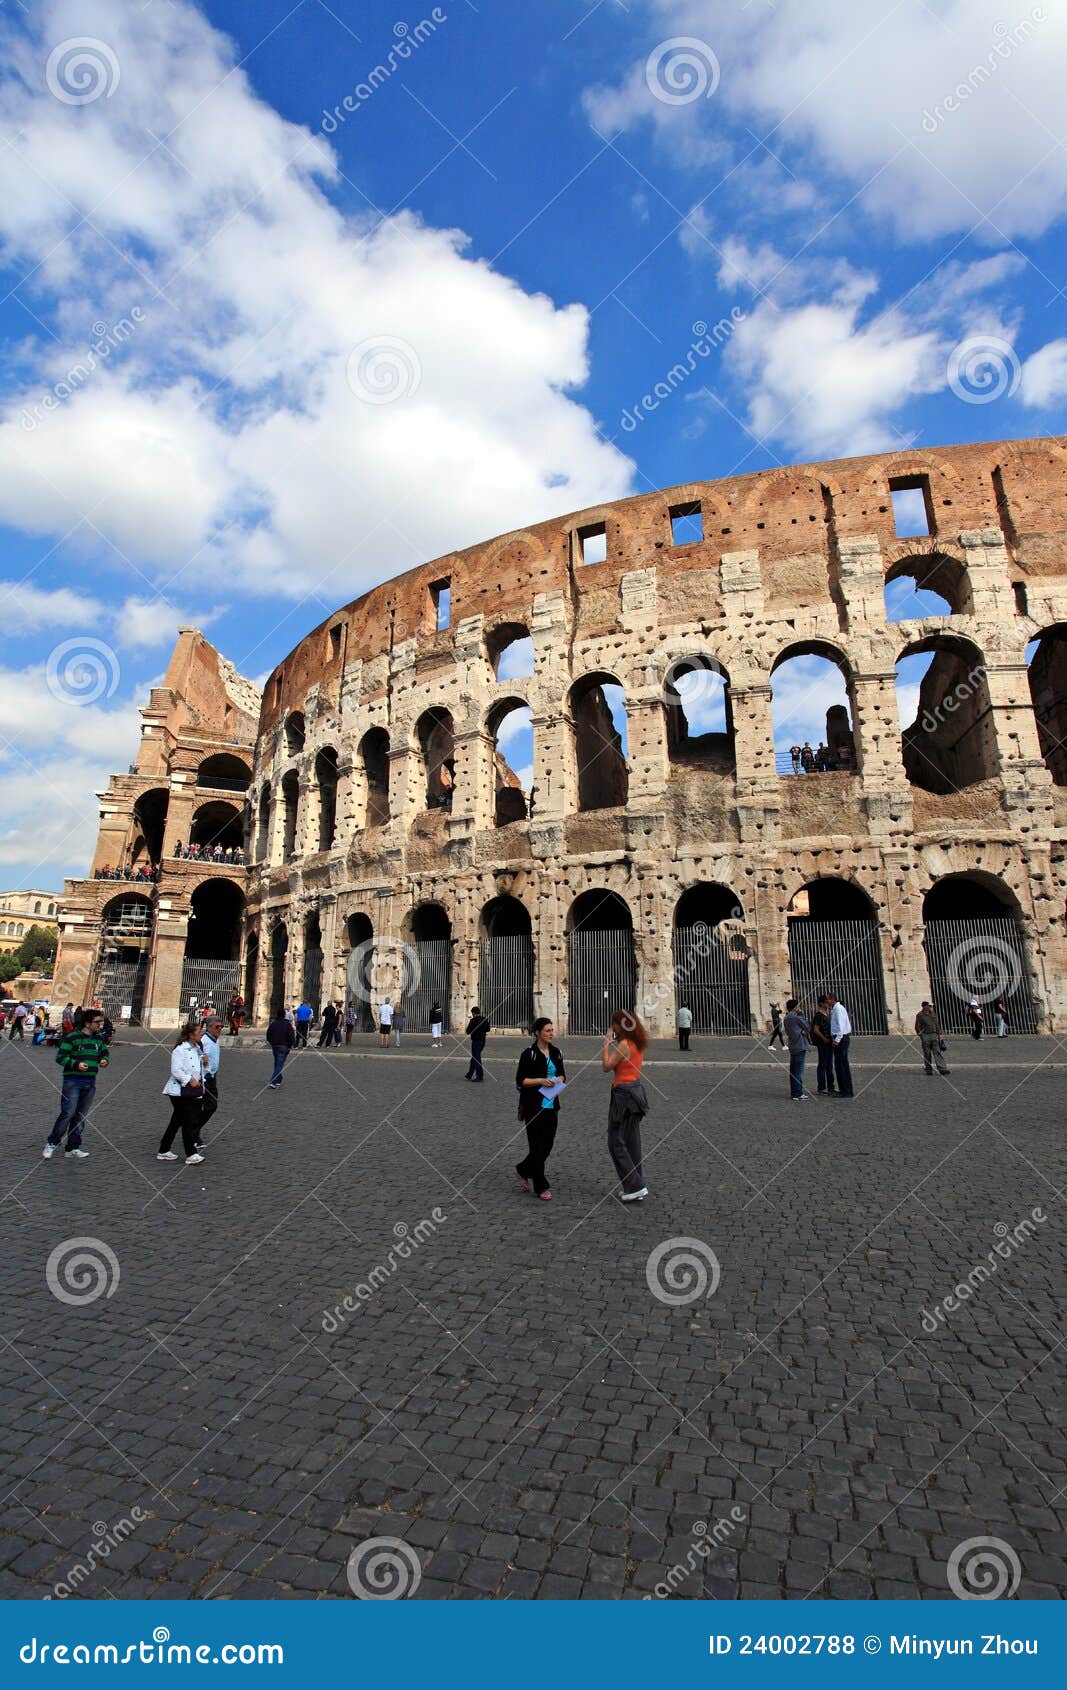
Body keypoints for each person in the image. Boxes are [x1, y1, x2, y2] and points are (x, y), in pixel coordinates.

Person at [42, 1008, 110, 1160]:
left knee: (80, 1116)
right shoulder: (72, 1037)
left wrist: (104, 1060)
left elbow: (104, 1053)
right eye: (97, 1022)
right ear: (87, 1023)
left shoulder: (98, 1039)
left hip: (90, 1081)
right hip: (73, 1081)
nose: (100, 1025)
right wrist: (75, 1064)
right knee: (68, 1113)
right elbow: (60, 1057)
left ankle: (72, 1147)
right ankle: (52, 1143)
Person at [515, 1017, 566, 1201]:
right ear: (537, 1032)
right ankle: (541, 1186)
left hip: (552, 1104)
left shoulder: (556, 1052)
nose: (551, 1033)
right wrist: (540, 1081)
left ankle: (523, 1169)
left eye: (552, 1030)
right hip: (533, 1105)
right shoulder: (529, 1054)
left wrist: (558, 1079)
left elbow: (562, 1074)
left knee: (547, 1145)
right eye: (547, 1030)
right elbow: (521, 1080)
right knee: (536, 1146)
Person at [603, 1010, 649, 1202]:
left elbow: (606, 1066)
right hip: (637, 1091)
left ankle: (635, 1185)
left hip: (623, 1095)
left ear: (621, 1025)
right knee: (632, 1142)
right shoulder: (638, 1043)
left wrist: (606, 1046)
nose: (612, 1028)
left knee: (615, 1141)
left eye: (614, 1024)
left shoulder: (623, 1045)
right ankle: (635, 1185)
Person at [157, 1023, 206, 1165]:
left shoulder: (197, 1048)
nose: (201, 1034)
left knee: (176, 1121)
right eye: (199, 1032)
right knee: (188, 1121)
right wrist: (190, 1080)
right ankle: (191, 1153)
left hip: (194, 1089)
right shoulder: (180, 1049)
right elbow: (176, 1070)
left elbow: (201, 1068)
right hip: (180, 1091)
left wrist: (206, 1063)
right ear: (191, 1034)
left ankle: (164, 1149)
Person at [198, 1016, 223, 1146]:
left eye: (221, 1027)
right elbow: (197, 1057)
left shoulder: (215, 1040)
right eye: (217, 1027)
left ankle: (193, 1129)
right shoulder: (204, 1041)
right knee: (208, 1105)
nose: (219, 1029)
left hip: (212, 1077)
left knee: (211, 1105)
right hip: (203, 1079)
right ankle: (193, 1132)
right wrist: (203, 1058)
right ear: (208, 1028)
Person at [783, 998, 811, 1100]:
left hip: (792, 1044)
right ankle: (797, 1093)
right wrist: (801, 1013)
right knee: (798, 1071)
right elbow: (807, 1026)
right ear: (795, 1007)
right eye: (798, 1006)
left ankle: (795, 1092)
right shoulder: (796, 1017)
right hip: (800, 1044)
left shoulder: (786, 1018)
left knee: (793, 1070)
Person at [828, 992, 854, 1096]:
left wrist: (837, 1040)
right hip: (842, 1038)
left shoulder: (838, 1009)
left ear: (832, 999)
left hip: (841, 1039)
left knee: (841, 1065)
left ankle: (845, 1091)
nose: (827, 1001)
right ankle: (846, 1089)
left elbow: (840, 1025)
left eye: (828, 999)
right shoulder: (837, 1008)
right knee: (842, 1065)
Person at [914, 1001, 951, 1076]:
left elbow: (937, 1024)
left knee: (937, 1052)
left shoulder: (933, 1014)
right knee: (927, 1054)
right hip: (926, 1036)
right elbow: (917, 1026)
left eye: (931, 1006)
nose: (931, 1007)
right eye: (929, 1006)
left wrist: (940, 1034)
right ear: (924, 1006)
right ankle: (928, 1069)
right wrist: (921, 1036)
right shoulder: (920, 1015)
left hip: (934, 1035)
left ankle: (942, 1069)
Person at [811, 995, 835, 1096]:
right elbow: (815, 1029)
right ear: (821, 1003)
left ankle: (831, 1087)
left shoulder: (828, 1013)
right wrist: (823, 1038)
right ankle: (821, 1087)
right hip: (823, 1043)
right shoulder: (819, 1015)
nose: (828, 1003)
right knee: (822, 1064)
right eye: (825, 1002)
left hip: (829, 1042)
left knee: (829, 1065)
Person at [267, 1007, 295, 1088]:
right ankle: (273, 1081)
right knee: (279, 1064)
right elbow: (291, 1036)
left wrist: (271, 1042)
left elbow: (268, 1035)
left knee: (277, 1063)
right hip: (284, 1046)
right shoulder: (287, 1024)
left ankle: (279, 1079)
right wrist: (290, 1045)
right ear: (284, 1015)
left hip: (275, 1046)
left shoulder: (273, 1024)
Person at [465, 1006, 490, 1081]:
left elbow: (468, 1031)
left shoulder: (473, 1020)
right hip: (483, 1041)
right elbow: (488, 1029)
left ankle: (480, 1076)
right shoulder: (484, 1019)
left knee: (476, 1058)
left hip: (476, 1041)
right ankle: (470, 1074)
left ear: (473, 1013)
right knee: (474, 1057)